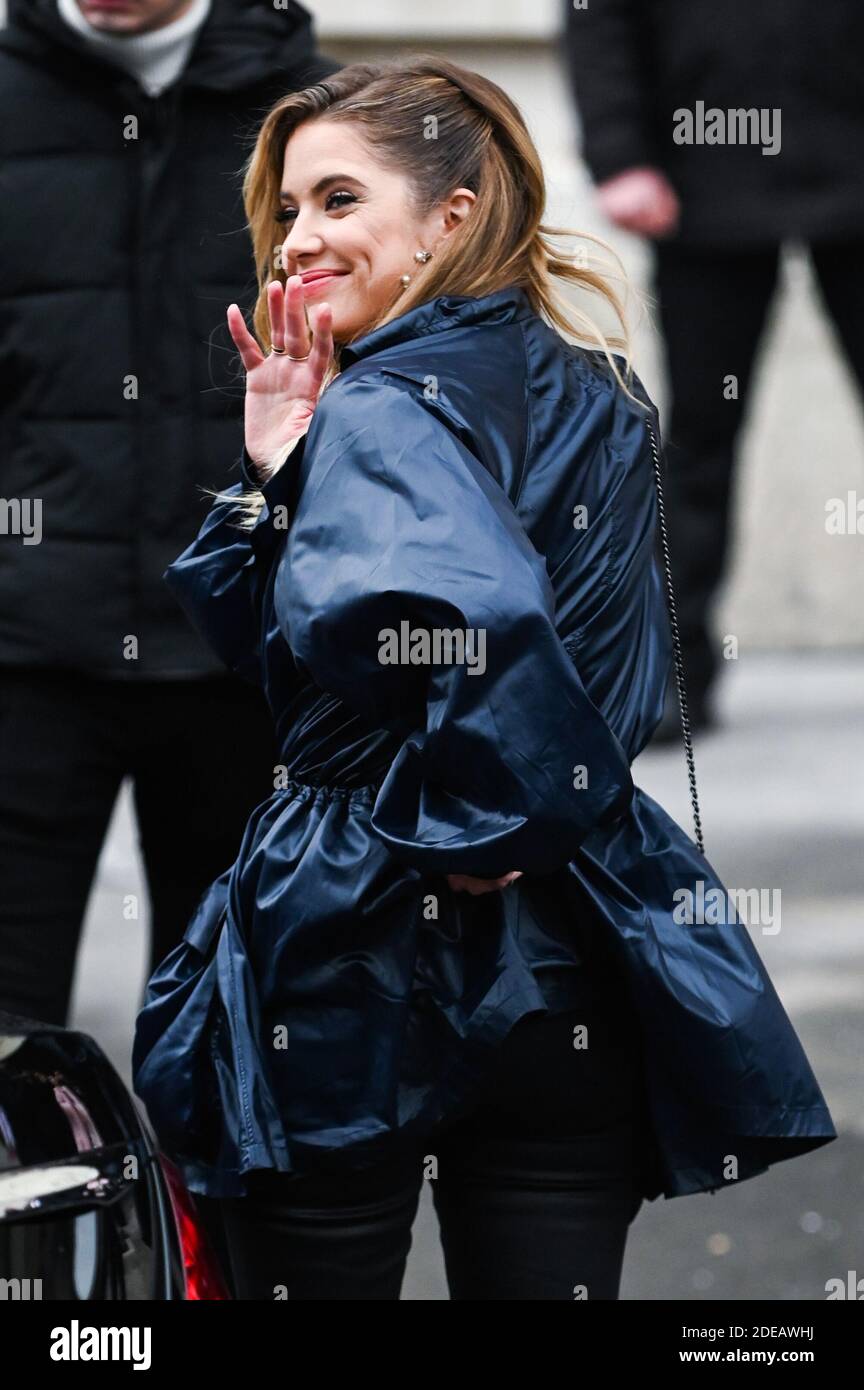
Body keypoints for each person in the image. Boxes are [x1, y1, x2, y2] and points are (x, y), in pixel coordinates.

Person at [132, 56, 836, 1301]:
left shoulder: (385, 408)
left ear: (452, 218)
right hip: (577, 945)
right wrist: (287, 471)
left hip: (357, 942)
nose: (298, 240)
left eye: (339, 201)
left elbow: (478, 617)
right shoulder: (604, 395)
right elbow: (544, 664)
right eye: (289, 209)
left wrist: (480, 818)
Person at [0, 0, 337, 1027]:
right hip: (24, 646)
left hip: (244, 644)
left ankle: (201, 1196)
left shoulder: (321, 116)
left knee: (231, 1020)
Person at [562, 0, 864, 737]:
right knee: (698, 437)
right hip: (701, 185)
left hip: (854, 169)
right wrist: (620, 154)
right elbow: (600, 19)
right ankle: (672, 670)